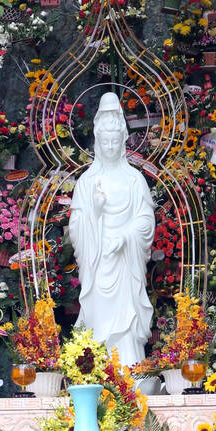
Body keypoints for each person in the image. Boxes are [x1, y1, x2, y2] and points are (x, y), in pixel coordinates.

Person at [68, 92, 155, 366]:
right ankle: (95, 368)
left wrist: (127, 236)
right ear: (97, 141)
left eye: (114, 141)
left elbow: (146, 220)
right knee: (97, 316)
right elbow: (75, 226)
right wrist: (94, 211)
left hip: (125, 263)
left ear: (122, 141)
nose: (108, 146)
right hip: (97, 261)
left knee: (126, 319)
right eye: (104, 141)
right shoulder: (87, 181)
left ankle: (130, 365)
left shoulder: (134, 179)